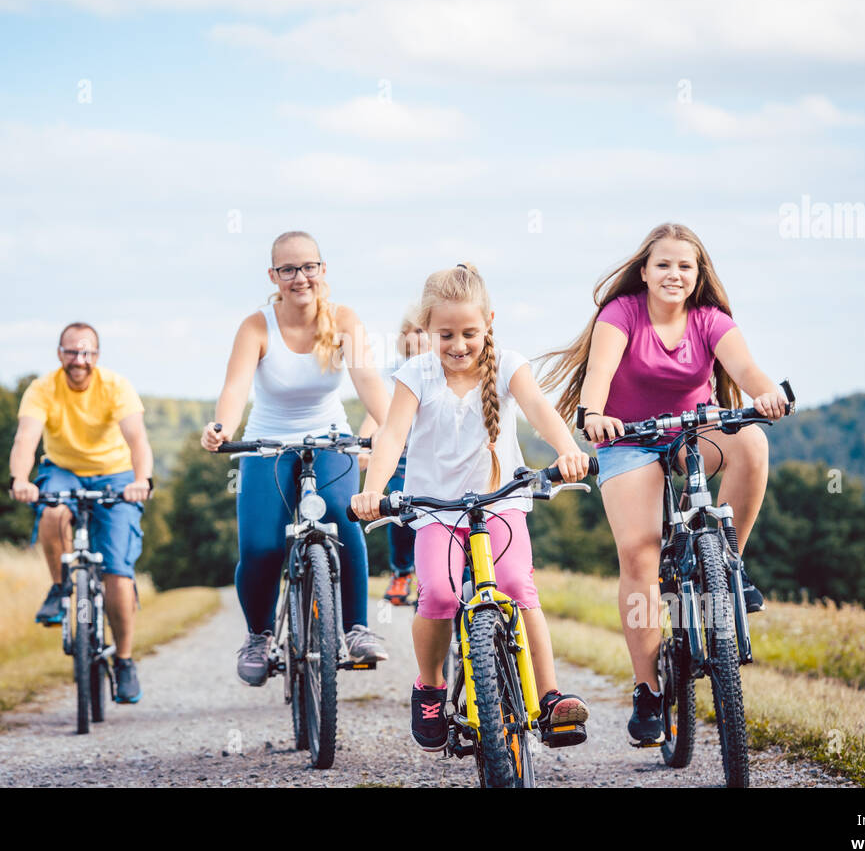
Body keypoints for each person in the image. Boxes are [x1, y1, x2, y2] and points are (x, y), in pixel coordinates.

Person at [538, 222, 788, 746]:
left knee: (753, 444)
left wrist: (766, 396)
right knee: (640, 556)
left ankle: (727, 564)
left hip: (691, 432)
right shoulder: (621, 313)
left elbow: (749, 370)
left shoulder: (710, 320)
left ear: (699, 276)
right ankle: (648, 690)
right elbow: (599, 376)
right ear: (646, 272)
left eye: (685, 266)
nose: (674, 274)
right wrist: (594, 413)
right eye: (664, 265)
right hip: (628, 437)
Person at [351, 263, 592, 752]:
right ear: (427, 330)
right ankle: (431, 686)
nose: (458, 345)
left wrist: (567, 450)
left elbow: (540, 410)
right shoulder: (415, 373)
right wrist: (373, 491)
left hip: (500, 504)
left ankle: (549, 697)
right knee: (438, 594)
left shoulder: (507, 364)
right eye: (445, 335)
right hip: (436, 509)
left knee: (517, 586)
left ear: (489, 323)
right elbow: (392, 436)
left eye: (469, 333)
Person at [201, 231, 393, 686]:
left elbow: (368, 381)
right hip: (266, 443)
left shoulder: (343, 319)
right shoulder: (256, 325)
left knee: (346, 527)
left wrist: (390, 428)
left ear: (323, 270)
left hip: (329, 441)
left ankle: (357, 629)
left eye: (308, 267)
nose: (299, 277)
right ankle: (258, 635)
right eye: (288, 269)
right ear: (274, 276)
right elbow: (236, 387)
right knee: (261, 546)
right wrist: (221, 428)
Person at [8, 322, 154, 704]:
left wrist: (143, 479)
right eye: (72, 352)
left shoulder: (115, 386)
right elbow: (26, 437)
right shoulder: (42, 389)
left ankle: (123, 660)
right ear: (60, 353)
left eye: (86, 352)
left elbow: (137, 438)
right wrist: (20, 479)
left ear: (97, 357)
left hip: (117, 475)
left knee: (118, 574)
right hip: (63, 469)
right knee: (53, 510)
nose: (79, 360)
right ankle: (60, 587)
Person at [357, 305, 428, 606]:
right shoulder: (395, 372)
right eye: (410, 331)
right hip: (401, 456)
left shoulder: (443, 367)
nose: (416, 337)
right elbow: (379, 412)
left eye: (423, 331)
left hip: (434, 456)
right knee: (400, 512)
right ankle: (401, 571)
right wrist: (364, 444)